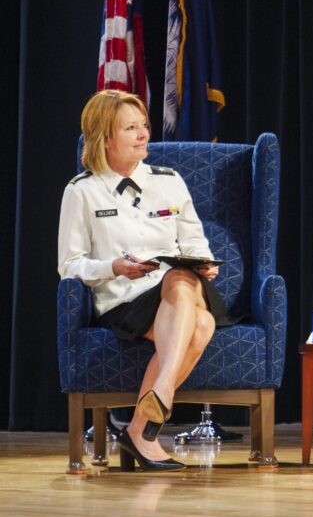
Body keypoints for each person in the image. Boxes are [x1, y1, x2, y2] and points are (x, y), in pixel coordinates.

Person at [57, 90, 232, 473]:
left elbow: (194, 239)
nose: (143, 135)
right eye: (131, 128)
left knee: (182, 277)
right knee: (200, 324)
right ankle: (147, 419)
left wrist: (204, 263)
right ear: (105, 138)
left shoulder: (170, 181)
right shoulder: (82, 191)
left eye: (145, 126)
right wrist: (113, 267)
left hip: (177, 287)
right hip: (124, 299)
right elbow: (69, 266)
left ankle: (146, 417)